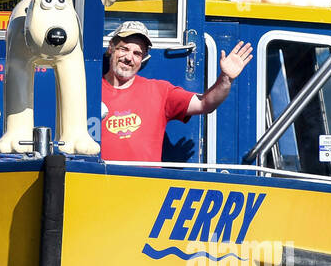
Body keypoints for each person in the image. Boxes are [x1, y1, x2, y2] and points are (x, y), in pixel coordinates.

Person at [100, 20, 252, 162]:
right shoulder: (88, 90)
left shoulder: (160, 91)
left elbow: (205, 103)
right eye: (124, 49)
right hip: (98, 183)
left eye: (137, 53)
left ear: (143, 58)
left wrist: (226, 78)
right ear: (111, 48)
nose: (129, 57)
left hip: (145, 186)